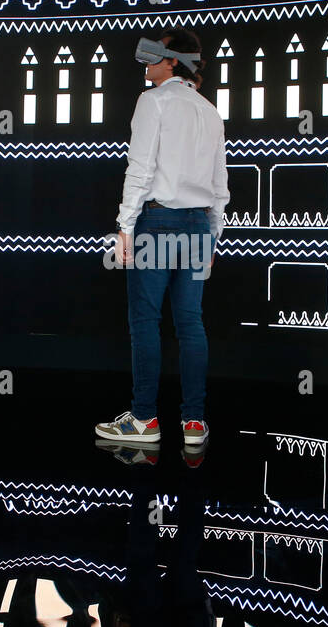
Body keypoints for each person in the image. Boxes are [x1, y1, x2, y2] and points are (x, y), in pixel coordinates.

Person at [95, 28, 229, 446]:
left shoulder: (152, 102)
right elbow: (219, 183)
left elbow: (140, 169)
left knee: (146, 322)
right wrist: (214, 235)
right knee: (191, 324)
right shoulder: (210, 112)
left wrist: (124, 227)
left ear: (172, 61)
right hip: (197, 226)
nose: (147, 64)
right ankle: (193, 424)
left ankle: (145, 421)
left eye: (154, 57)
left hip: (156, 223)